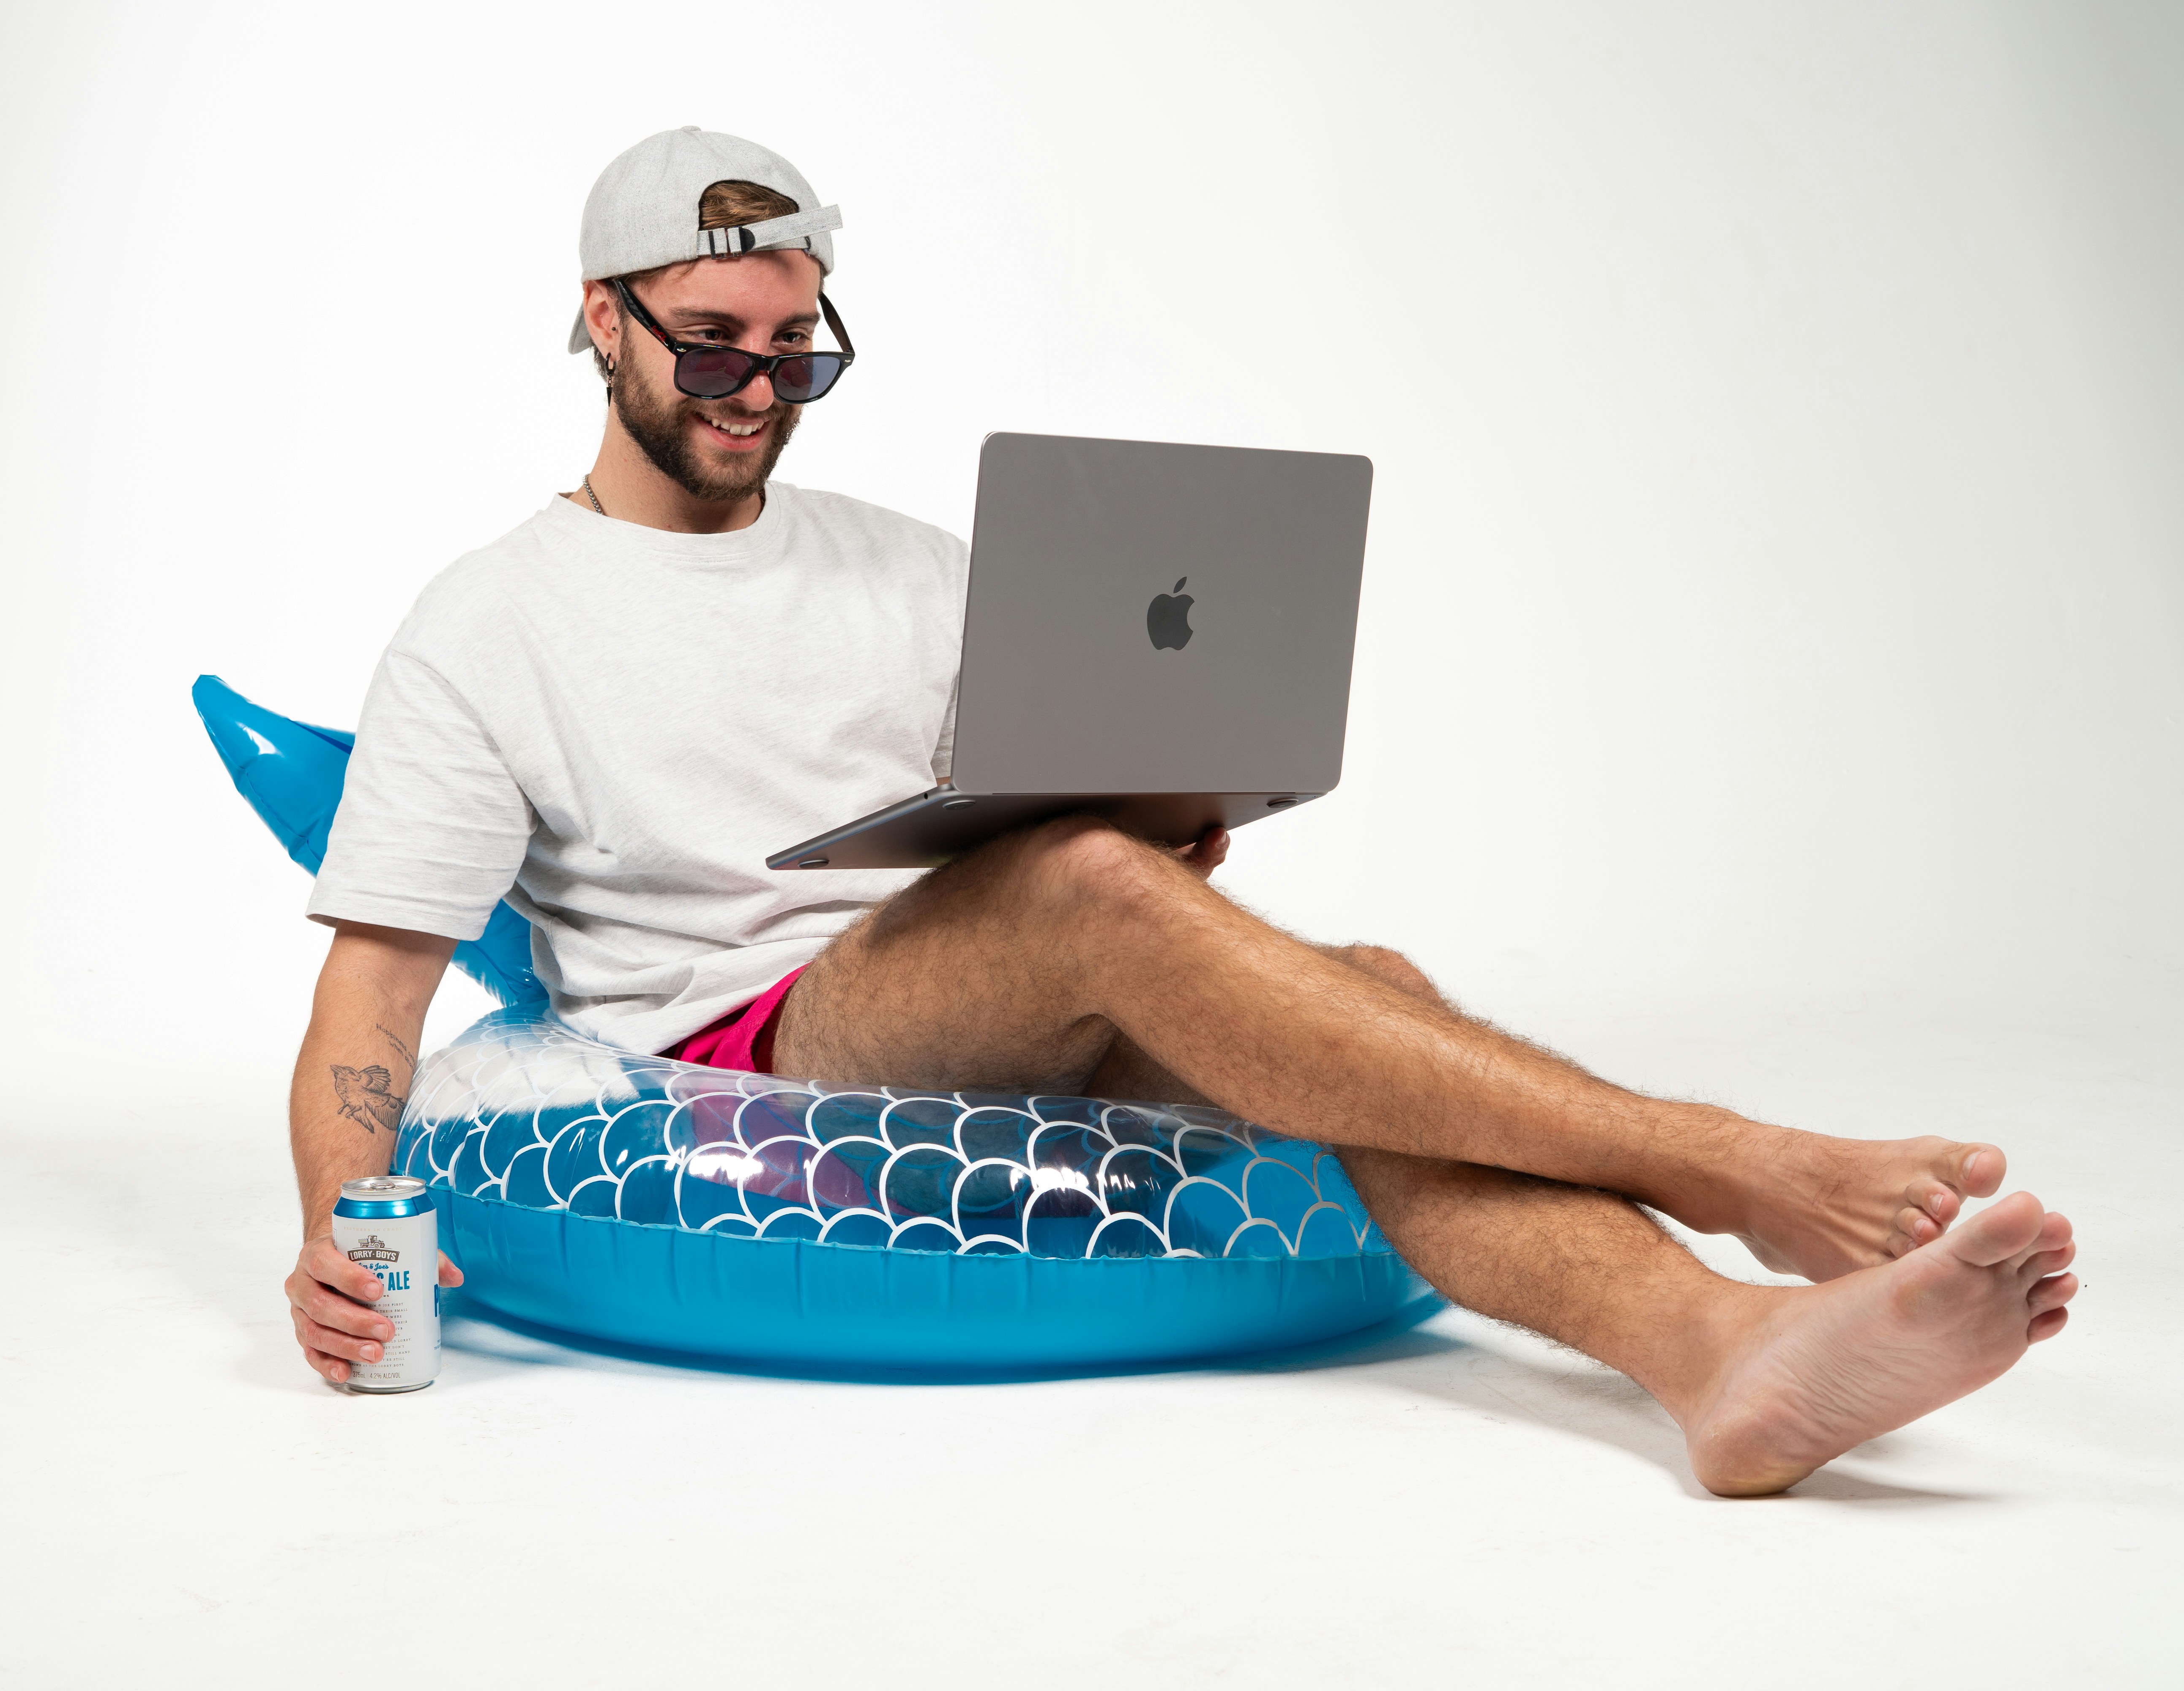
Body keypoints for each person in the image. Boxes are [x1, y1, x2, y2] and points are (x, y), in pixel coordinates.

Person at [279, 128, 2077, 1497]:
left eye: (795, 351)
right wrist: (331, 1239)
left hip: (973, 977)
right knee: (1083, 885)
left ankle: (1718, 1354)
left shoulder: (908, 567)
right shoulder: (489, 619)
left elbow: (1023, 827)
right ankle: (1734, 1160)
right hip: (739, 1051)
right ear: (601, 320)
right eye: (711, 349)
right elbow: (371, 999)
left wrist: (1165, 821)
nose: (759, 393)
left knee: (1346, 977)